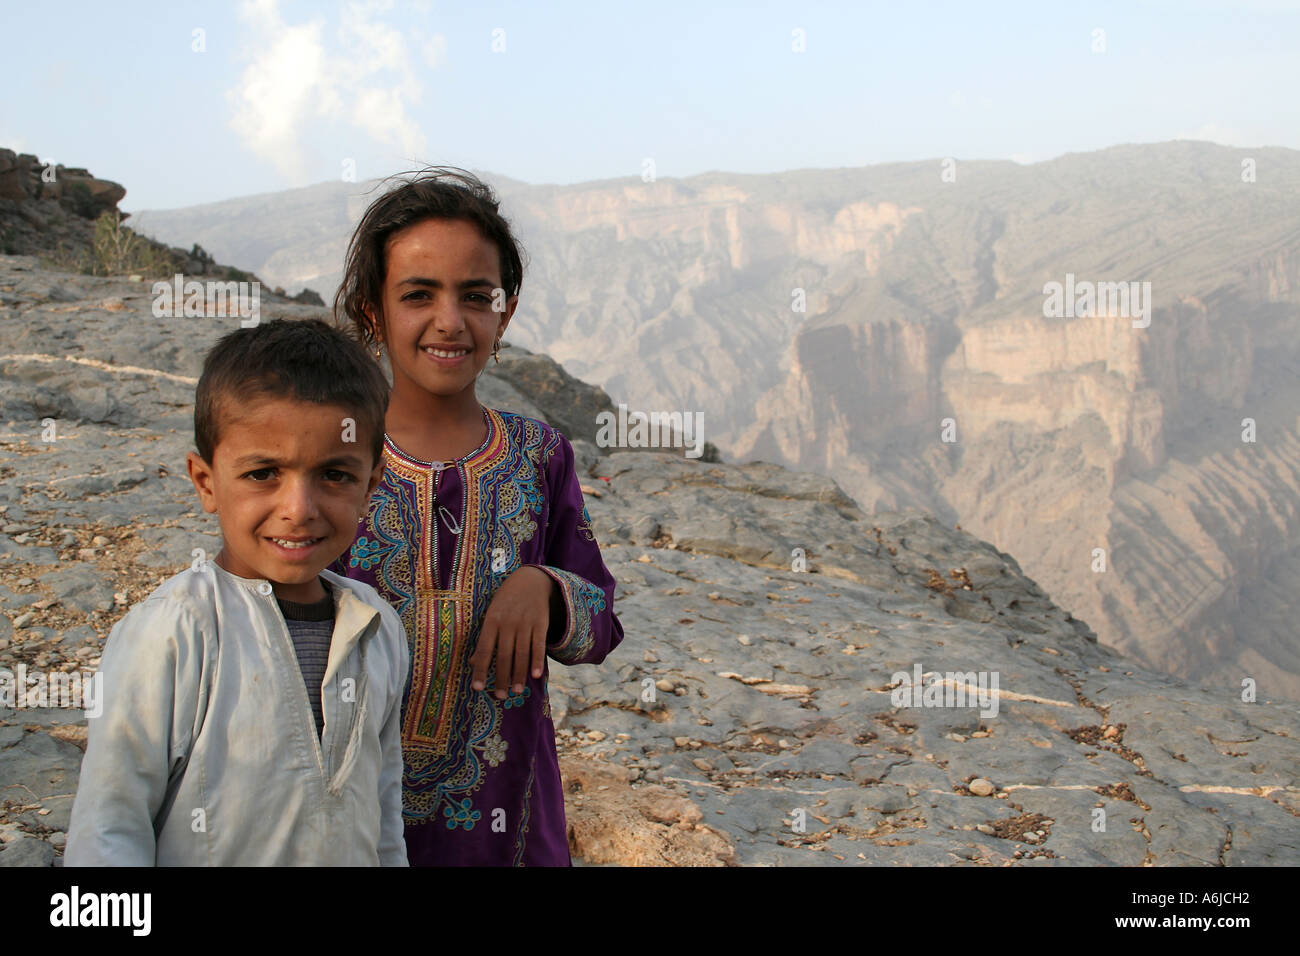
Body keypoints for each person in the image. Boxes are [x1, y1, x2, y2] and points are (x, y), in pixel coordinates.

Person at [329, 167, 624, 866]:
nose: (449, 321)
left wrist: (546, 590)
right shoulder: (333, 455)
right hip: (350, 821)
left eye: (475, 296)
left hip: (510, 827)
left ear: (506, 311)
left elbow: (601, 625)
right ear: (373, 311)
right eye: (418, 295)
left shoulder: (538, 456)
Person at [65, 319, 409, 866]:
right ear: (206, 482)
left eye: (335, 475)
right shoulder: (174, 631)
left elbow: (384, 814)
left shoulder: (377, 629)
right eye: (263, 473)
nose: (299, 508)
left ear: (370, 485)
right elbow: (110, 830)